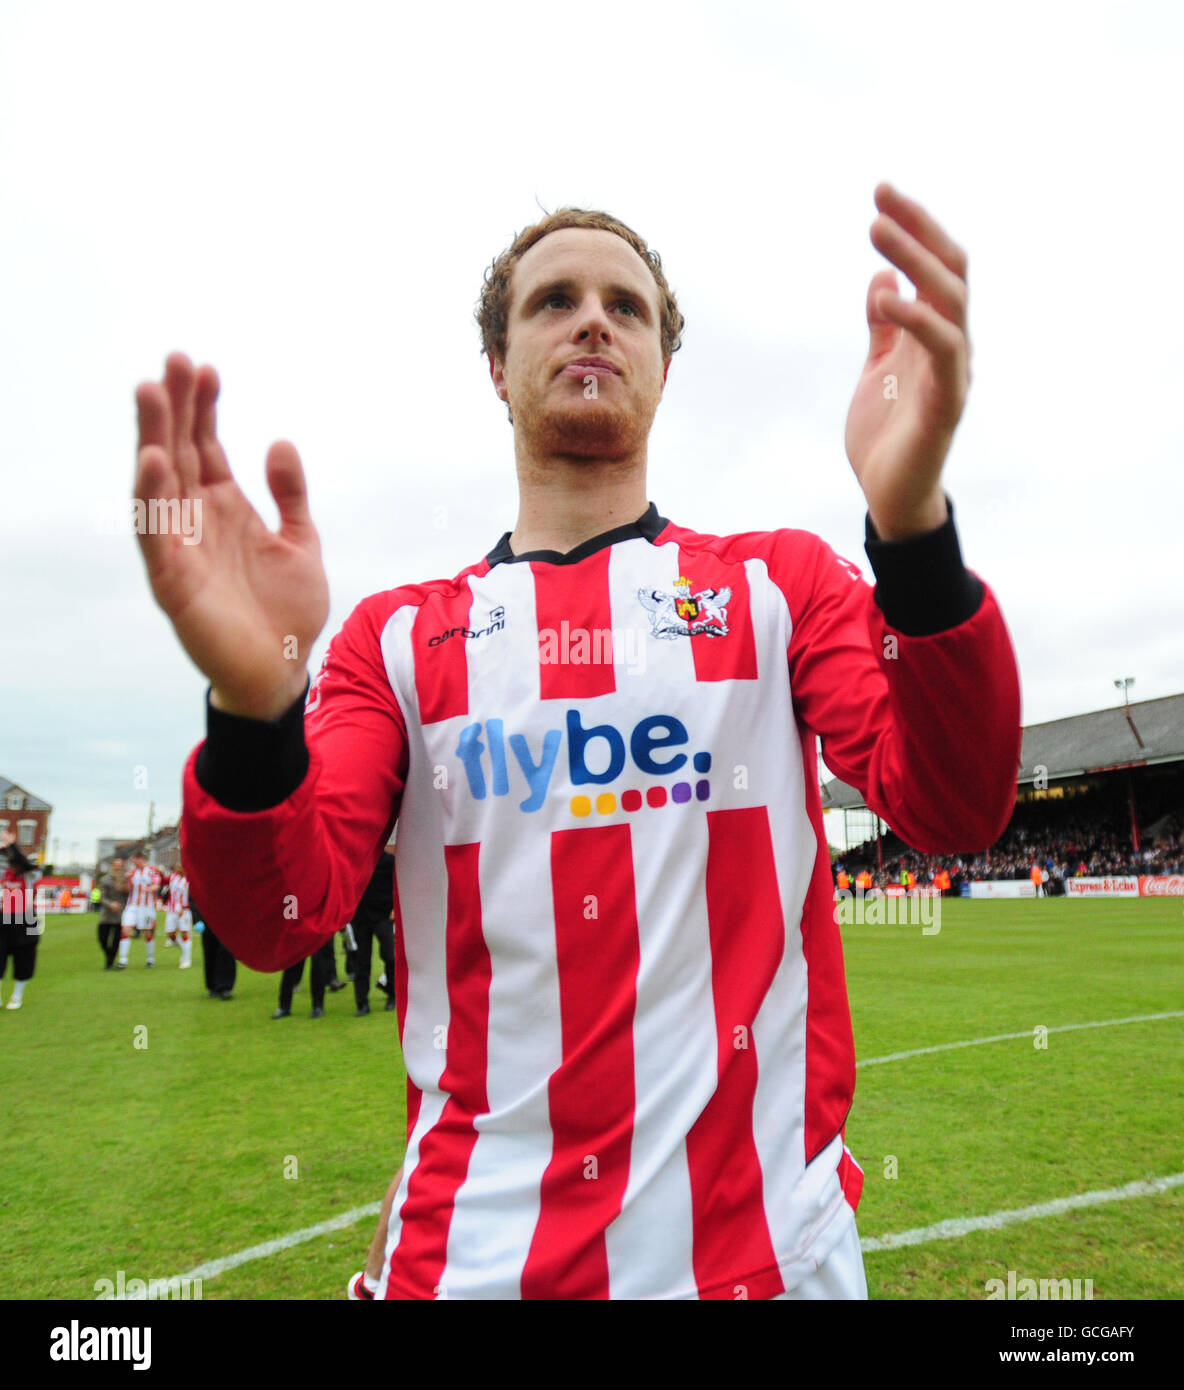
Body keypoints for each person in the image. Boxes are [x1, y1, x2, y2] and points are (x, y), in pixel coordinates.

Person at [136, 186, 1021, 1300]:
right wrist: (250, 709)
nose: (593, 320)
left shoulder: (774, 586)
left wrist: (913, 535)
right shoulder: (396, 641)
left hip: (759, 1264)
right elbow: (276, 917)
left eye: (626, 306)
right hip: (470, 1266)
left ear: (661, 362)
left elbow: (951, 803)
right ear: (497, 368)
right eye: (554, 300)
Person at [348, 847, 396, 1017]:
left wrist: (394, 908)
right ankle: (362, 1003)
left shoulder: (389, 861)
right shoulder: (355, 862)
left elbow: (398, 884)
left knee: (390, 957)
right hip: (361, 918)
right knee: (362, 961)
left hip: (383, 916)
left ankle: (392, 995)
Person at [0, 829, 41, 1010]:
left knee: (25, 958)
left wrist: (12, 845)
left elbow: (25, 863)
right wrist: (5, 847)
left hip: (27, 917)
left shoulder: (31, 875)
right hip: (5, 915)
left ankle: (17, 996)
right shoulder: (4, 873)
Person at [272, 937, 337, 1019]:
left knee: (318, 964)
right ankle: (283, 1007)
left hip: (320, 928)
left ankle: (318, 1006)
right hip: (300, 929)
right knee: (291, 963)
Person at [116, 851, 161, 969]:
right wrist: (125, 880)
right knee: (125, 929)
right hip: (132, 905)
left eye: (134, 860)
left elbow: (157, 885)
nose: (132, 862)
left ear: (140, 859)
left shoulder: (152, 871)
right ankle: (123, 961)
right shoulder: (132, 873)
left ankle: (150, 958)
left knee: (147, 932)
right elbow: (126, 889)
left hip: (146, 907)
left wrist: (149, 889)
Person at [194, 897, 236, 1000]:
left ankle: (225, 987)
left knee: (226, 950)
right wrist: (197, 919)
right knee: (210, 951)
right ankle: (212, 986)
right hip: (207, 916)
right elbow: (194, 896)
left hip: (226, 916)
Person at [96, 858, 128, 969]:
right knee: (102, 938)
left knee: (116, 940)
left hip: (120, 914)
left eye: (120, 865)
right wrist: (110, 904)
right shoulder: (104, 880)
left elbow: (128, 897)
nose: (118, 868)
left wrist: (122, 907)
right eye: (116, 865)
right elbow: (102, 897)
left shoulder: (126, 880)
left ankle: (109, 963)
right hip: (106, 914)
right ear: (112, 866)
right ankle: (109, 956)